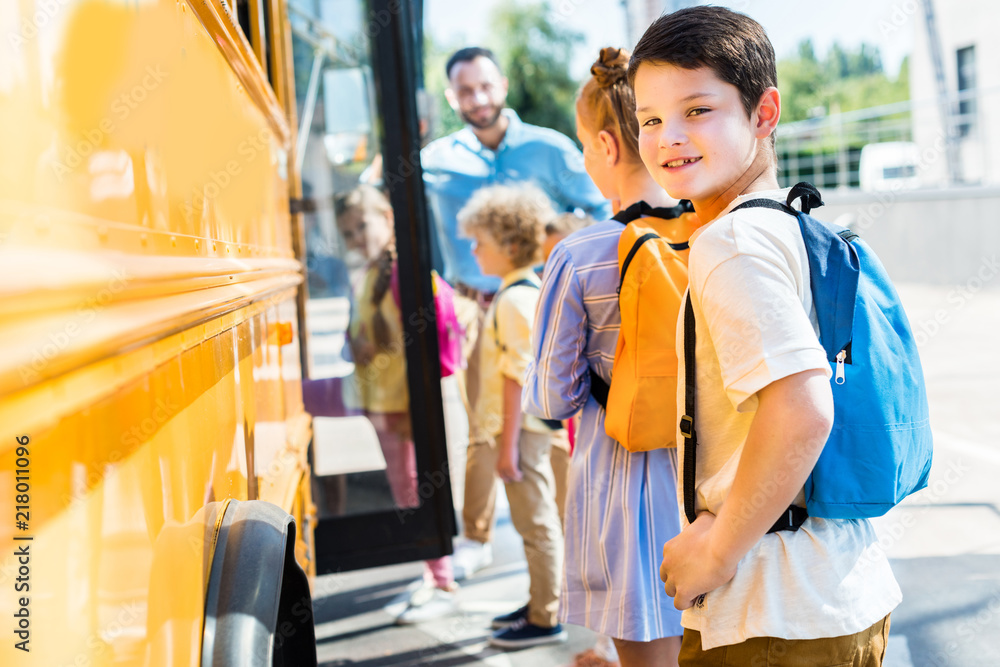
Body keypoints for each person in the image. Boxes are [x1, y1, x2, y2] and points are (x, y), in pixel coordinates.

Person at [628, 7, 900, 664]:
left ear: (764, 112)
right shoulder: (794, 227)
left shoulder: (731, 242)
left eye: (698, 110)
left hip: (772, 612)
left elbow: (803, 406)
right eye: (650, 118)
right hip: (838, 590)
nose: (670, 137)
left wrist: (715, 552)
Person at [524, 47, 703, 667]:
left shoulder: (580, 254)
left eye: (581, 145)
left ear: (603, 146)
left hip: (624, 488)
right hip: (718, 480)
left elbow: (552, 398)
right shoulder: (717, 234)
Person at [422, 46, 610, 579]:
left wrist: (570, 271)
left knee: (549, 419)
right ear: (450, 96)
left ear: (502, 85)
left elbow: (598, 206)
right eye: (465, 90)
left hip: (544, 302)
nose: (477, 99)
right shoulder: (435, 159)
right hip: (476, 306)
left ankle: (575, 531)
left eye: (485, 86)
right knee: (484, 426)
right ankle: (475, 538)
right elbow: (391, 206)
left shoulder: (549, 149)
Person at [335, 185, 461, 625]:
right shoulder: (373, 273)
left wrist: (419, 392)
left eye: (362, 225)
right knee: (404, 484)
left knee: (413, 486)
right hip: (380, 399)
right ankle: (433, 568)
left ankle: (441, 575)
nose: (357, 237)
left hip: (403, 402)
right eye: (348, 233)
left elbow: (441, 326)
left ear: (388, 218)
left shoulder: (402, 273)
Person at [457, 183, 568, 649]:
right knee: (535, 521)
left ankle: (546, 616)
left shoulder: (513, 299)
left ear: (511, 245)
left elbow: (517, 379)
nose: (473, 250)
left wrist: (506, 451)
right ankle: (539, 602)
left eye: (480, 240)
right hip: (521, 432)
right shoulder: (517, 291)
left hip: (519, 434)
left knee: (535, 522)